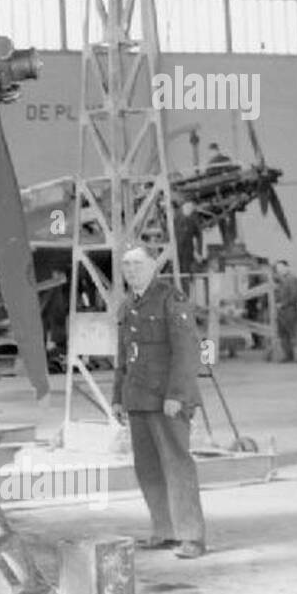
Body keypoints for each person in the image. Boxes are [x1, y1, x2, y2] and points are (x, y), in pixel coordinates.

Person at [112, 247, 207, 559]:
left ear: (153, 265)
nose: (131, 269)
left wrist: (177, 395)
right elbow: (123, 357)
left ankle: (191, 536)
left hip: (167, 400)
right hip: (138, 399)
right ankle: (164, 531)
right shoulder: (128, 305)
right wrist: (117, 398)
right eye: (126, 264)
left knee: (177, 465)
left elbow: (187, 351)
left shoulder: (171, 299)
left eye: (138, 263)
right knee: (149, 469)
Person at [272, 258, 297, 363]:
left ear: (287, 267)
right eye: (277, 268)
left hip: (289, 310)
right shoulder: (279, 280)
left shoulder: (292, 279)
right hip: (280, 311)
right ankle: (288, 356)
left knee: (293, 333)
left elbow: (295, 295)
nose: (279, 270)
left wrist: (283, 304)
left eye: (281, 267)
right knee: (283, 334)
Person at [174, 198, 203, 280]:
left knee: (186, 276)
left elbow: (199, 235)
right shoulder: (175, 217)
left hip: (188, 253)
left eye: (192, 208)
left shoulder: (192, 218)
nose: (191, 210)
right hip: (176, 253)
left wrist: (198, 252)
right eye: (190, 207)